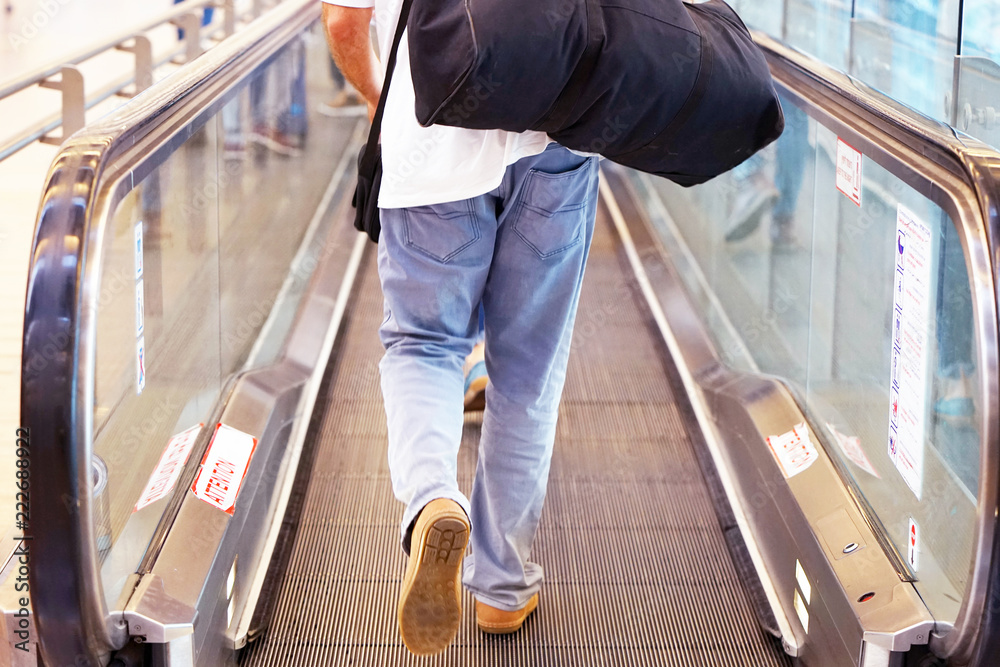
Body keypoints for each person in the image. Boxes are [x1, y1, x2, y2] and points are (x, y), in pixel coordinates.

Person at [322, 0, 600, 656]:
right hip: (555, 140)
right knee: (528, 368)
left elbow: (342, 21)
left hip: (431, 144)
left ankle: (430, 501)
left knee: (426, 342)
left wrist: (377, 101)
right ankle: (504, 586)